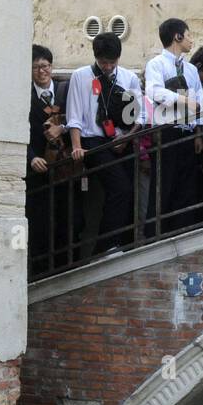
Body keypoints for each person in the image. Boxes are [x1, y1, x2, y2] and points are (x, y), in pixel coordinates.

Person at [66, 32, 144, 254]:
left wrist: (126, 137)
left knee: (128, 191)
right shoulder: (80, 76)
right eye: (103, 62)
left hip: (122, 139)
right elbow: (74, 116)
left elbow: (140, 116)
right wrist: (76, 146)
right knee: (120, 188)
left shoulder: (128, 78)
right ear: (96, 57)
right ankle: (105, 247)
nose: (108, 67)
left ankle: (124, 244)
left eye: (112, 62)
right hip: (93, 142)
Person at [144, 17, 203, 234]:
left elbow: (200, 99)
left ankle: (182, 231)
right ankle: (155, 235)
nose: (191, 41)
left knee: (186, 185)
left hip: (187, 132)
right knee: (163, 184)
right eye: (188, 35)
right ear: (177, 36)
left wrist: (198, 132)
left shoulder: (190, 69)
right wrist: (183, 100)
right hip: (166, 130)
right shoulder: (156, 64)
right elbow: (154, 91)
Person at [26, 44, 74, 272]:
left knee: (69, 219)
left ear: (51, 67)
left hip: (65, 167)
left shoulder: (66, 91)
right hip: (38, 169)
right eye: (35, 67)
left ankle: (66, 269)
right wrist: (31, 157)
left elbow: (80, 120)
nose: (40, 71)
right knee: (39, 223)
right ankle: (39, 272)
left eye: (44, 65)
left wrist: (62, 129)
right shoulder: (22, 96)